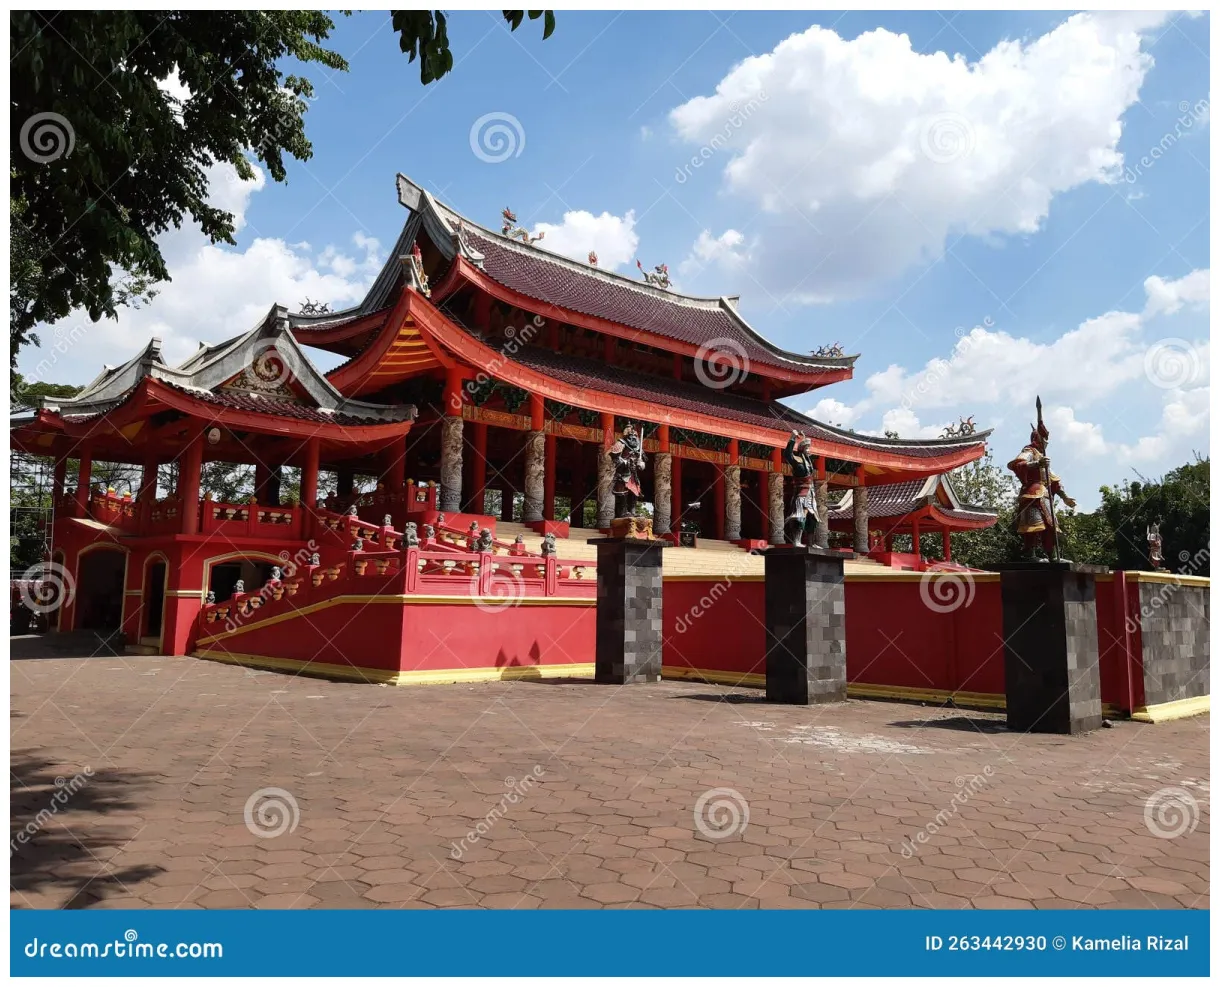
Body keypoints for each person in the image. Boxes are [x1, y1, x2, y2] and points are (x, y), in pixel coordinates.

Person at [1008, 419, 1076, 559]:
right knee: (1033, 525)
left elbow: (1053, 480)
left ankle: (1052, 556)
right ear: (1037, 438)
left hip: (1045, 496)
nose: (1046, 441)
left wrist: (1065, 497)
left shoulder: (1043, 457)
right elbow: (1018, 464)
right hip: (1032, 493)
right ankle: (1029, 554)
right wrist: (1036, 464)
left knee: (1051, 527)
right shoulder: (1029, 451)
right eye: (1044, 438)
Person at [783, 430, 820, 547]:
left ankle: (811, 542)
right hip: (801, 492)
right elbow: (787, 454)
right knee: (800, 515)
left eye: (809, 447)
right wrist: (793, 438)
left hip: (811, 492)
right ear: (802, 449)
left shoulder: (809, 463)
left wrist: (804, 438)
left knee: (813, 518)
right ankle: (796, 541)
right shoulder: (797, 461)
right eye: (807, 447)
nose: (809, 450)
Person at [608, 422, 645, 518]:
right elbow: (615, 458)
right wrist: (626, 462)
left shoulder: (638, 447)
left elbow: (643, 459)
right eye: (631, 435)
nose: (633, 437)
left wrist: (641, 463)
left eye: (634, 435)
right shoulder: (621, 443)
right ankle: (623, 512)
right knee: (622, 493)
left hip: (633, 474)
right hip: (623, 473)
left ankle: (632, 511)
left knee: (635, 492)